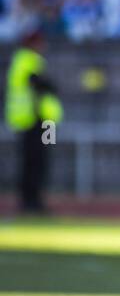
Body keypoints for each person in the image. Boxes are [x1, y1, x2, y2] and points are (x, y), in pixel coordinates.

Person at [5, 28, 62, 214]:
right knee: (35, 161)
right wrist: (50, 85)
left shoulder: (29, 60)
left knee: (40, 160)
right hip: (35, 121)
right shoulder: (26, 59)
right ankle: (32, 202)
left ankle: (36, 200)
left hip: (45, 122)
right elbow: (36, 83)